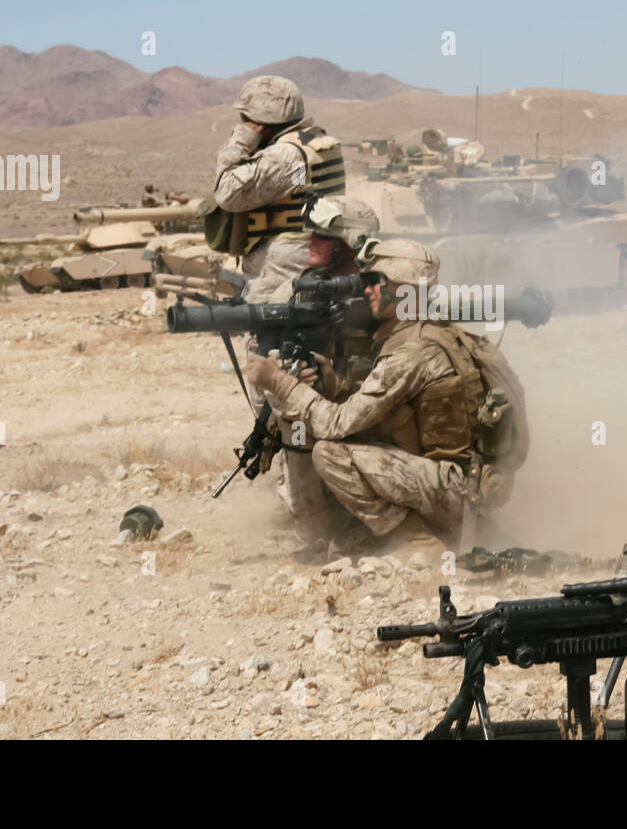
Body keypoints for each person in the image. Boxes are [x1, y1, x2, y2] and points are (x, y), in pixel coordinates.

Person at [243, 239, 527, 555]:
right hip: (476, 483)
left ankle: (415, 540)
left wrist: (279, 383)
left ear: (404, 289)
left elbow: (337, 424)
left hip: (456, 492)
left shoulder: (412, 352)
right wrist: (336, 384)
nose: (367, 291)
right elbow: (393, 412)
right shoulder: (447, 334)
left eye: (376, 282)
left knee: (331, 454)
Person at [264, 197, 380, 556]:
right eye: (311, 234)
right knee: (293, 413)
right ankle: (315, 519)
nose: (311, 241)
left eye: (323, 236)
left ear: (351, 243)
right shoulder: (293, 293)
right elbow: (260, 366)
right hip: (320, 418)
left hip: (375, 413)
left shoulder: (382, 293)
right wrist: (289, 379)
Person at [197, 75, 346, 304]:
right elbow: (297, 185)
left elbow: (227, 195)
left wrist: (242, 139)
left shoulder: (284, 154)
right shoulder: (312, 144)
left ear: (260, 121)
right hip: (308, 253)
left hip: (280, 269)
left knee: (267, 325)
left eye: (245, 118)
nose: (242, 123)